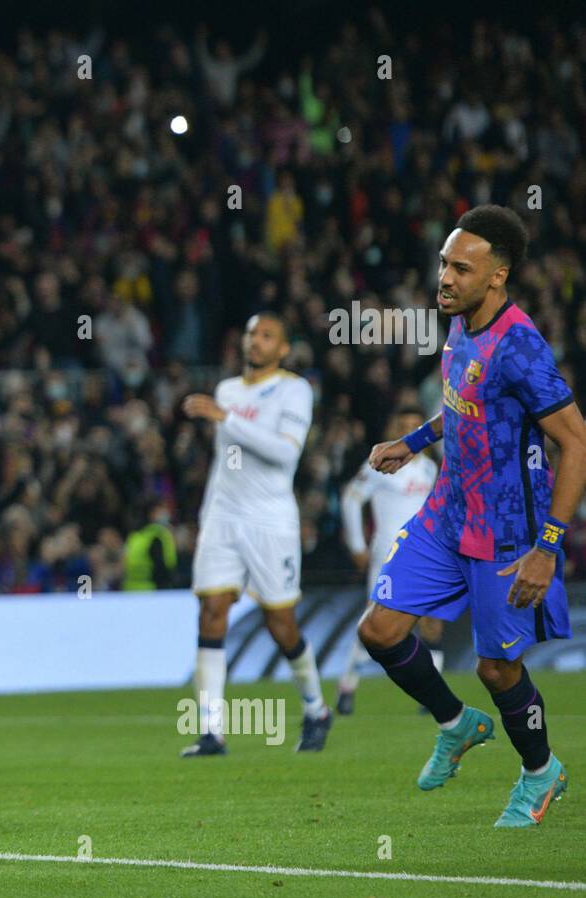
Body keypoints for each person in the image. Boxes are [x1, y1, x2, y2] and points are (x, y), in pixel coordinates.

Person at [358, 205, 585, 827]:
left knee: (495, 667)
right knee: (379, 632)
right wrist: (416, 439)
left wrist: (547, 546)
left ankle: (541, 773)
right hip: (447, 514)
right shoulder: (460, 326)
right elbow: (467, 407)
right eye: (443, 264)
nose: (446, 278)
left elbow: (576, 439)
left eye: (462, 268)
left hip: (507, 531)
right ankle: (457, 724)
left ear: (497, 277)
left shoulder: (520, 346)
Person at [181, 312, 333, 756]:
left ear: (283, 348)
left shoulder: (294, 389)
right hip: (223, 517)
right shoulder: (227, 389)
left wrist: (226, 417)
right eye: (250, 334)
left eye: (267, 336)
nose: (256, 342)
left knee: (280, 624)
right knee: (211, 611)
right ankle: (212, 731)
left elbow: (284, 454)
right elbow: (226, 459)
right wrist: (208, 516)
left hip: (270, 520)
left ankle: (316, 708)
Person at [337, 407, 441, 714]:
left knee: (432, 621)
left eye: (415, 426)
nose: (409, 431)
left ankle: (431, 697)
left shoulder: (431, 468)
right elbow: (350, 499)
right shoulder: (380, 462)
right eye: (403, 425)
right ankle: (347, 684)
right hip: (388, 553)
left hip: (424, 551)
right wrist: (357, 545)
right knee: (377, 623)